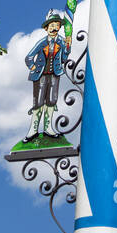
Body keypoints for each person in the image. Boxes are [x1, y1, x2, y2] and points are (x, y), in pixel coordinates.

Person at [23, 11, 70, 141]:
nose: (54, 28)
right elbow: (29, 57)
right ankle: (33, 130)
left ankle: (48, 128)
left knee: (51, 101)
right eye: (52, 25)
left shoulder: (60, 42)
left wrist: (67, 47)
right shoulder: (42, 42)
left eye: (57, 25)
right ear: (46, 28)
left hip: (54, 75)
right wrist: (33, 67)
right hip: (41, 76)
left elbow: (64, 57)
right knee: (38, 102)